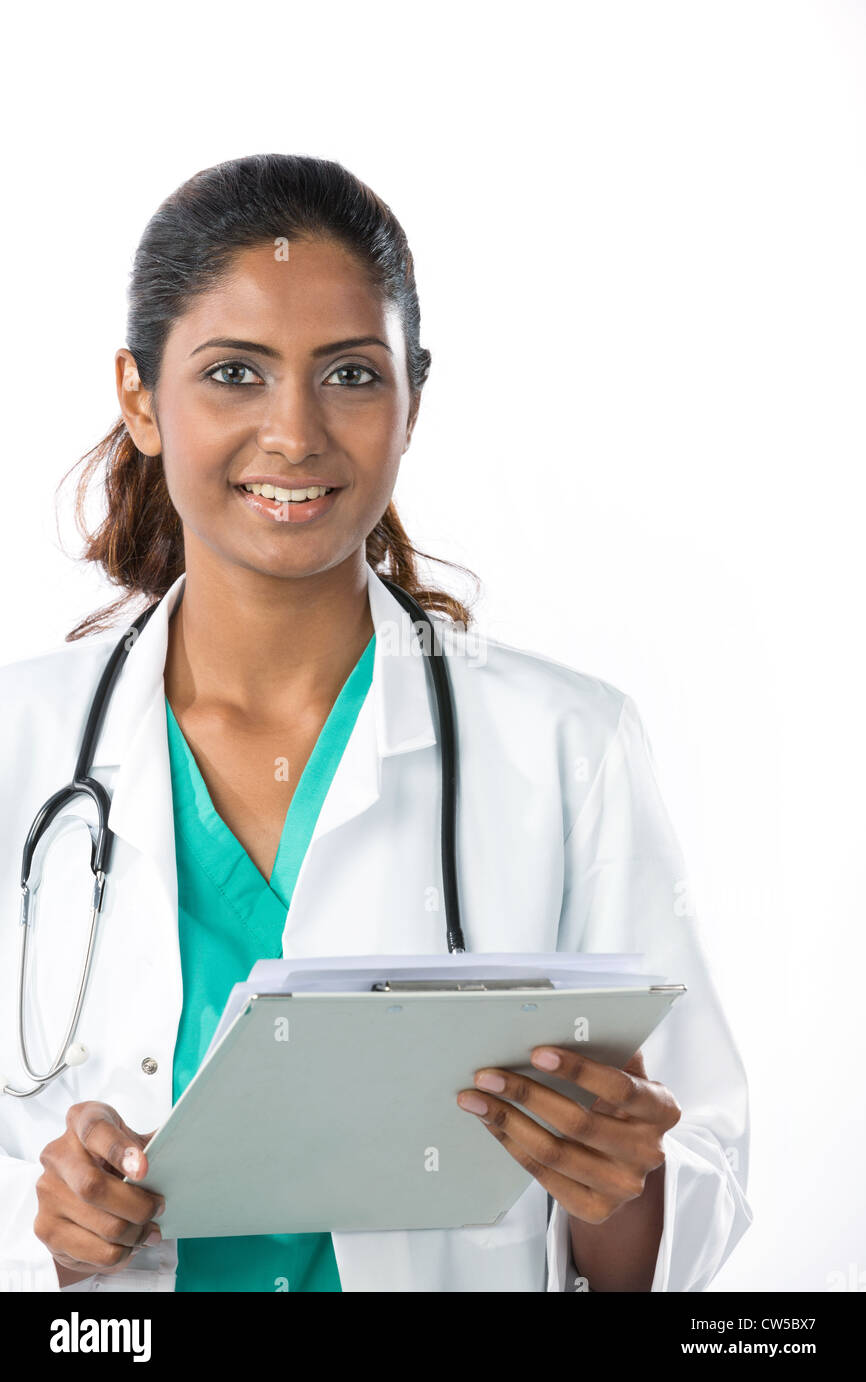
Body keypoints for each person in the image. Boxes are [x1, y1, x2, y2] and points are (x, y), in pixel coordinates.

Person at [0, 153, 752, 1293]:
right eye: (233, 374)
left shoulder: (565, 744)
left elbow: (694, 1152)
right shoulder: (21, 743)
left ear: (413, 398)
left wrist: (624, 1180)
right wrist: (42, 1221)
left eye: (349, 373)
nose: (294, 433)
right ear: (140, 397)